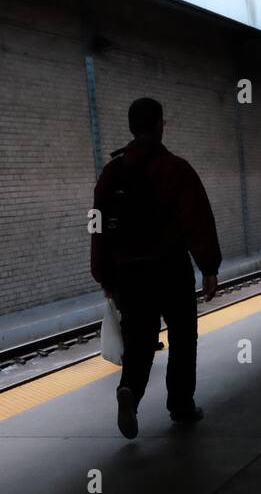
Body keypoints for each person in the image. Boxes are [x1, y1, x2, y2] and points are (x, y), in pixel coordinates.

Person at [91, 97, 221, 439]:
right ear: (160, 124)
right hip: (170, 268)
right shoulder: (175, 169)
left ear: (133, 127)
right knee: (182, 337)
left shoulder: (111, 173)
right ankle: (180, 406)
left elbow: (98, 226)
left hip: (129, 273)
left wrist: (104, 275)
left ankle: (129, 393)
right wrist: (208, 267)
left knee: (139, 339)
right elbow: (197, 220)